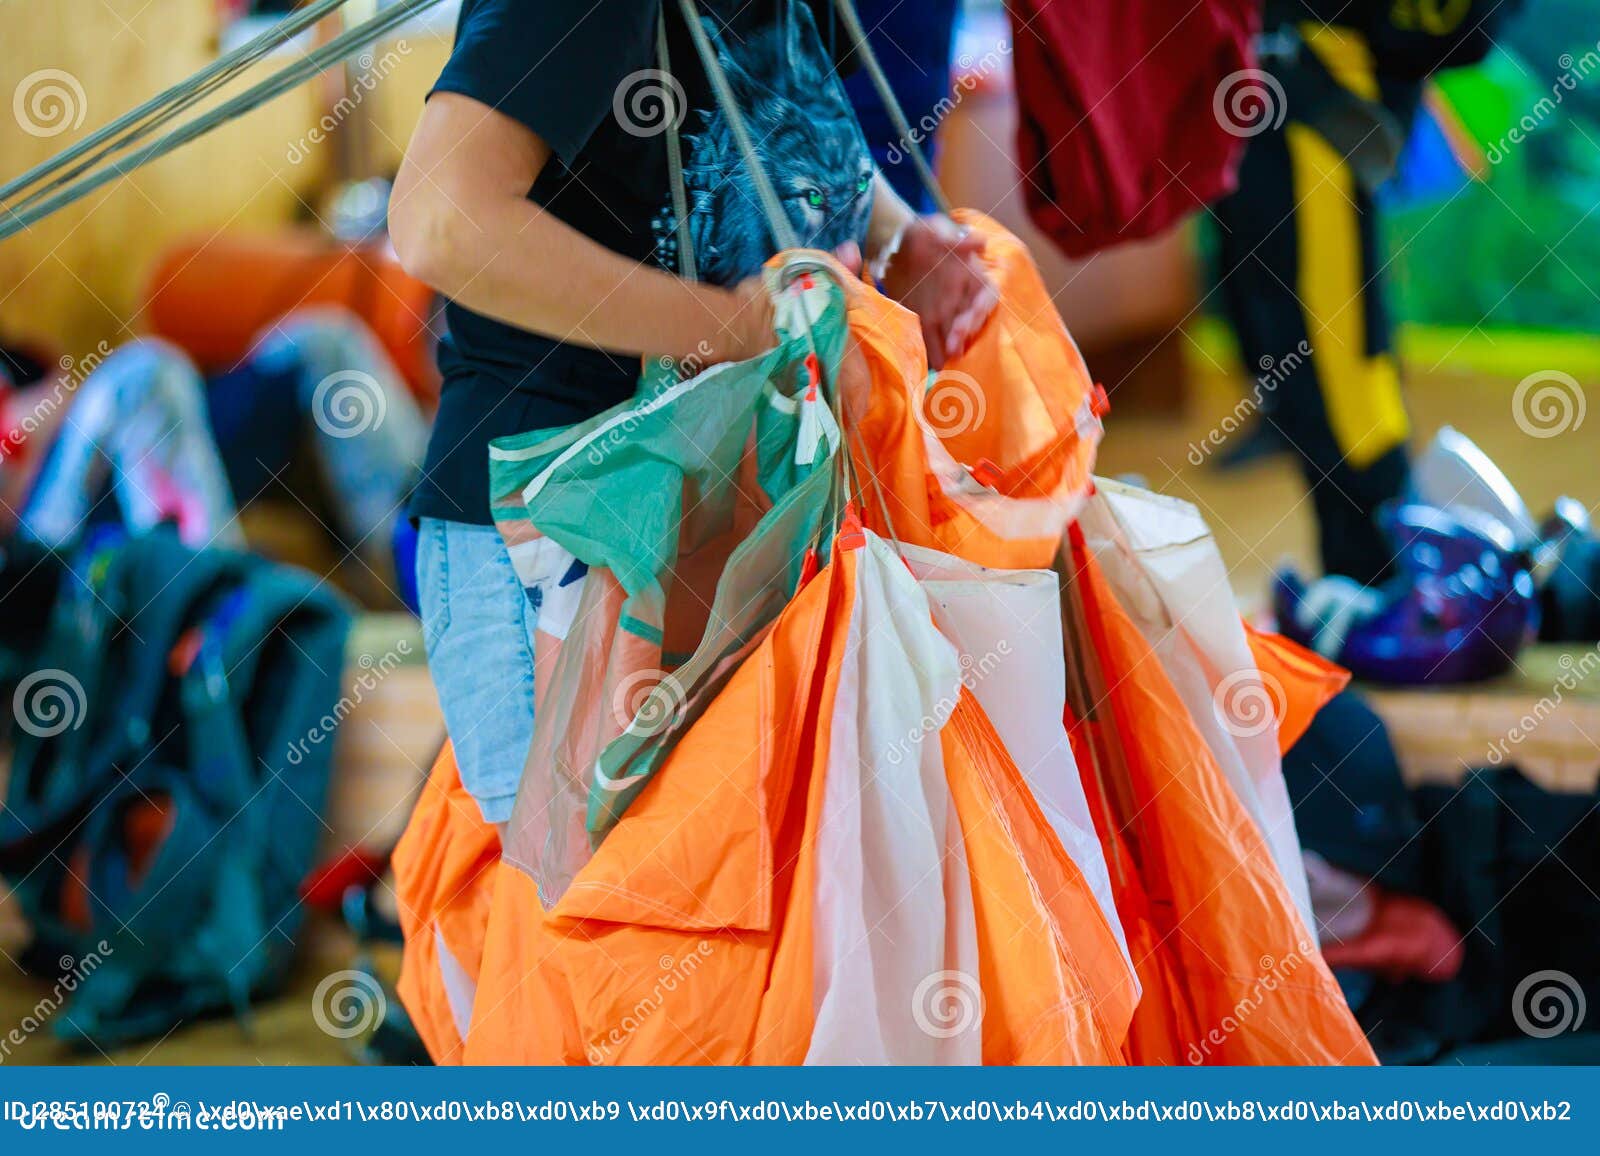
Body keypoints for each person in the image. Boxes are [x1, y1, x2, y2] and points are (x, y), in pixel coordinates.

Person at [389, 0, 997, 825]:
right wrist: (726, 327)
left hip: (732, 519)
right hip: (568, 533)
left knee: (758, 908)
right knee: (624, 925)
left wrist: (897, 238)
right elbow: (441, 222)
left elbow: (782, 116)